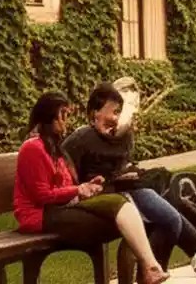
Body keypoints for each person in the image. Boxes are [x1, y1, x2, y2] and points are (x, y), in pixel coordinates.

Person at [63, 81, 196, 279]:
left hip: (126, 191)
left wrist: (127, 173)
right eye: (112, 112)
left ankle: (157, 271)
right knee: (167, 212)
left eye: (119, 113)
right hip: (99, 201)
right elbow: (66, 178)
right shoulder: (80, 139)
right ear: (94, 113)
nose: (116, 119)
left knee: (169, 219)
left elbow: (120, 167)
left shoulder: (123, 138)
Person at [13, 92, 170, 284]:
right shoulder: (33, 148)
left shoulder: (53, 147)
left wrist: (88, 186)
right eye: (62, 114)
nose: (66, 120)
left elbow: (63, 185)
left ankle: (148, 269)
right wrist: (78, 190)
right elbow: (41, 196)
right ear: (48, 116)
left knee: (134, 219)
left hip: (62, 209)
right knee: (124, 215)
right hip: (41, 216)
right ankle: (150, 268)